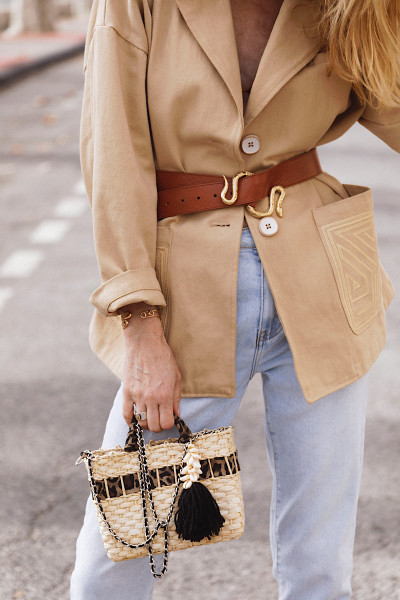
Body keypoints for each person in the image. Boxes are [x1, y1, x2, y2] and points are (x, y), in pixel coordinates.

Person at [70, 0, 400, 598]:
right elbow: (113, 156)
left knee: (321, 569)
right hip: (185, 298)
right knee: (113, 563)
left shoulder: (353, 7)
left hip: (322, 281)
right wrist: (139, 323)